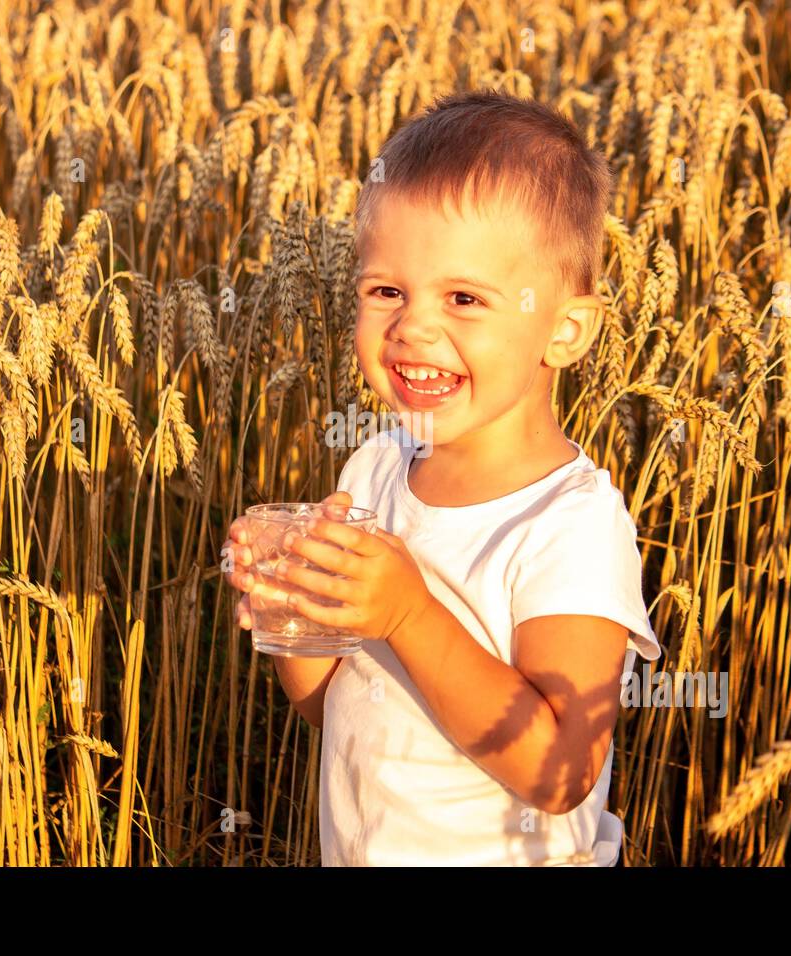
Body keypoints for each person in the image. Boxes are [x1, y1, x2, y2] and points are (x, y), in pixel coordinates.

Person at [224, 89, 660, 866]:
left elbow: (561, 774)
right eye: (386, 290)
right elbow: (332, 705)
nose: (414, 326)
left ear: (564, 330)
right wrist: (293, 610)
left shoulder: (571, 527)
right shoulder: (375, 468)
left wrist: (409, 615)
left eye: (464, 299)